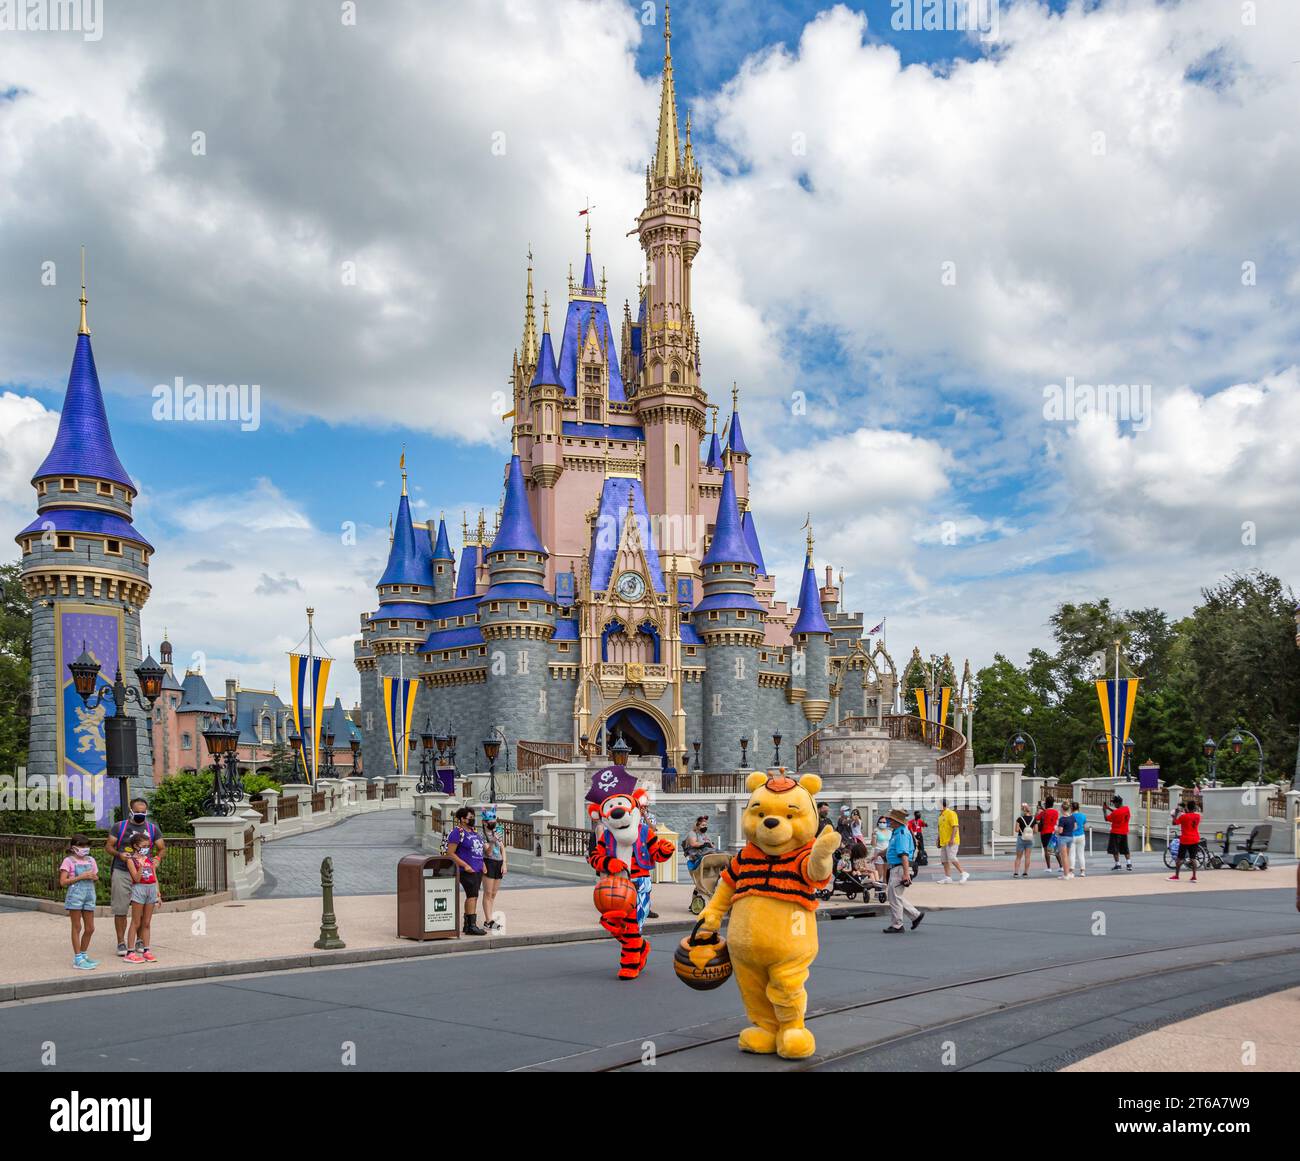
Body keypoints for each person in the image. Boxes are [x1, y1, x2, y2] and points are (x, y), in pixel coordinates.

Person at [103, 798, 165, 958]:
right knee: (121, 908)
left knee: (144, 909)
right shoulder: (120, 827)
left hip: (144, 873)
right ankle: (121, 942)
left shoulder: (152, 829)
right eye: (137, 811)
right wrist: (119, 855)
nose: (140, 814)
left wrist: (157, 859)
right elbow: (108, 846)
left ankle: (139, 940)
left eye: (143, 812)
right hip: (122, 871)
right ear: (131, 811)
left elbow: (162, 848)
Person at [59, 834, 99, 970]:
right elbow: (63, 881)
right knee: (77, 927)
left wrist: (94, 877)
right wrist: (80, 877)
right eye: (82, 846)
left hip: (89, 894)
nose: (85, 848)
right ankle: (78, 958)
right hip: (75, 895)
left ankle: (83, 953)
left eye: (87, 846)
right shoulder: (68, 861)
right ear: (74, 847)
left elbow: (96, 876)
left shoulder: (91, 860)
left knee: (90, 928)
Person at [446, 805, 488, 934]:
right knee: (472, 895)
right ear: (463, 819)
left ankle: (468, 925)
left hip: (477, 868)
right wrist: (465, 865)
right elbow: (451, 853)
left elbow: (479, 850)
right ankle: (471, 926)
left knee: (474, 896)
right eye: (470, 817)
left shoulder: (474, 832)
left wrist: (483, 864)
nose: (473, 819)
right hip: (466, 870)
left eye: (473, 817)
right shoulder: (457, 832)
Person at [881, 809, 923, 934]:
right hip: (897, 867)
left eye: (890, 820)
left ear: (895, 821)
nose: (888, 822)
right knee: (895, 895)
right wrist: (880, 853)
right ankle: (915, 915)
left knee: (894, 897)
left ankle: (897, 925)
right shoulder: (897, 832)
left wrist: (905, 873)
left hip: (899, 867)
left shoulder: (901, 834)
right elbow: (892, 848)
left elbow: (904, 854)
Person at [122, 834, 159, 963]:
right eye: (144, 846)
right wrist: (141, 866)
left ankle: (146, 949)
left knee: (147, 922)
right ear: (135, 846)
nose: (146, 848)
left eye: (148, 846)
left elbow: (155, 876)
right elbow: (136, 878)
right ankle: (130, 951)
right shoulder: (131, 860)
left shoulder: (149, 859)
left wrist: (158, 894)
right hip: (139, 888)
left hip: (151, 889)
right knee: (136, 922)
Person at [479, 805, 507, 931]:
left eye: (494, 820)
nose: (493, 823)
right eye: (490, 821)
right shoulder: (482, 834)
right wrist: (492, 841)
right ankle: (488, 920)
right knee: (488, 893)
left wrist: (504, 863)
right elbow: (489, 852)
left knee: (494, 894)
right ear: (484, 822)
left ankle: (489, 919)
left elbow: (502, 848)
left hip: (498, 863)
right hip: (489, 862)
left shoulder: (498, 830)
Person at [935, 799, 969, 883]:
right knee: (944, 860)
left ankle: (963, 873)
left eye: (938, 804)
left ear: (943, 805)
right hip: (943, 842)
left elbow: (955, 827)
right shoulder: (940, 816)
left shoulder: (951, 813)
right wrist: (938, 839)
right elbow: (940, 829)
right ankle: (948, 878)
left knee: (951, 857)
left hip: (952, 841)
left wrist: (952, 839)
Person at [1169, 799, 1202, 883]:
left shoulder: (1184, 817)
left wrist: (1175, 814)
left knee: (1179, 858)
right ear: (1194, 808)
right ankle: (1194, 876)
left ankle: (1177, 876)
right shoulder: (1198, 816)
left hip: (1185, 839)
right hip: (1195, 839)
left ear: (1187, 807)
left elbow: (1174, 823)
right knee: (1193, 858)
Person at [1102, 795, 1133, 870]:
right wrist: (1109, 808)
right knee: (1125, 848)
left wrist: (1104, 811)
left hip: (1115, 833)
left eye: (1114, 803)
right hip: (1124, 832)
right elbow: (1118, 812)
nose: (1114, 805)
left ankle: (1118, 865)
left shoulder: (1116, 813)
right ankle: (1129, 864)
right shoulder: (1126, 809)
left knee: (1115, 849)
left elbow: (1106, 818)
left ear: (1118, 803)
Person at [1035, 796, 1060, 875]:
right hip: (1053, 832)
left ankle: (1049, 867)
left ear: (1046, 803)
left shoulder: (1043, 812)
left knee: (1046, 850)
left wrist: (1038, 810)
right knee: (1055, 849)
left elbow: (1036, 818)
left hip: (1045, 832)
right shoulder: (1056, 812)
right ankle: (1061, 866)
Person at [1012, 803, 1035, 878]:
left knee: (1018, 857)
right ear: (1029, 810)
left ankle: (1016, 873)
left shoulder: (1019, 819)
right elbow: (1036, 830)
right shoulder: (1033, 819)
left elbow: (1016, 830)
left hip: (1021, 838)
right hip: (1030, 839)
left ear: (1023, 810)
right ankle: (1025, 873)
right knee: (1027, 857)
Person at [1056, 801, 1075, 879]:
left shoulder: (1062, 819)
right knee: (1067, 856)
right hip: (1070, 837)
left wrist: (1055, 830)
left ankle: (1066, 874)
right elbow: (1075, 826)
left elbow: (1060, 831)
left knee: (1064, 857)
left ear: (1062, 809)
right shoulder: (1072, 817)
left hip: (1063, 838)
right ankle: (1069, 873)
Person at [1070, 801, 1088, 877]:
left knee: (1072, 854)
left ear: (1071, 808)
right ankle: (1082, 871)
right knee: (1081, 854)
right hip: (1081, 835)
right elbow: (1085, 826)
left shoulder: (1070, 816)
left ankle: (1071, 871)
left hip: (1072, 836)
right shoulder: (1083, 816)